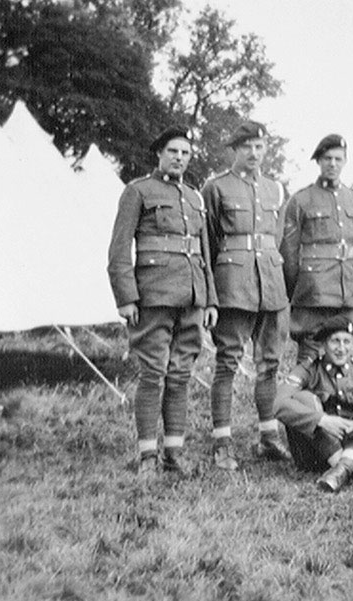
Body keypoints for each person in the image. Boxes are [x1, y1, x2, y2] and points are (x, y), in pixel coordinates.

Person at [107, 126, 218, 477]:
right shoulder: (138, 191)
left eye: (185, 153)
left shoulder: (195, 197)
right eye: (173, 151)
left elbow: (205, 254)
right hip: (153, 296)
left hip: (192, 297)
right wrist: (126, 297)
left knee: (181, 375)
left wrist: (210, 300)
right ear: (159, 153)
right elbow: (119, 249)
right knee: (153, 374)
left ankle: (173, 454)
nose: (179, 158)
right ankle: (147, 456)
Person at [201, 120, 292, 471]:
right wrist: (211, 294)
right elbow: (207, 244)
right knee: (227, 362)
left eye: (260, 147)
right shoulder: (216, 187)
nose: (254, 154)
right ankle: (222, 443)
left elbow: (278, 238)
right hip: (233, 287)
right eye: (247, 147)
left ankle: (268, 437)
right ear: (234, 150)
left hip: (270, 285)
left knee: (269, 364)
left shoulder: (276, 190)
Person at [274, 317, 353, 492]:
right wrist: (320, 420)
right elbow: (279, 402)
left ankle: (343, 468)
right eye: (335, 341)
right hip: (315, 455)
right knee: (302, 398)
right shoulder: (309, 369)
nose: (342, 349)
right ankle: (352, 470)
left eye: (347, 342)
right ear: (324, 344)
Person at [280, 134, 353, 364]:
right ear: (318, 161)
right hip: (312, 295)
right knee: (309, 359)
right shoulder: (301, 200)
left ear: (345, 161)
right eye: (327, 158)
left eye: (338, 158)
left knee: (342, 356)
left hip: (346, 295)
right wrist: (297, 291)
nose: (332, 164)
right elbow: (289, 251)